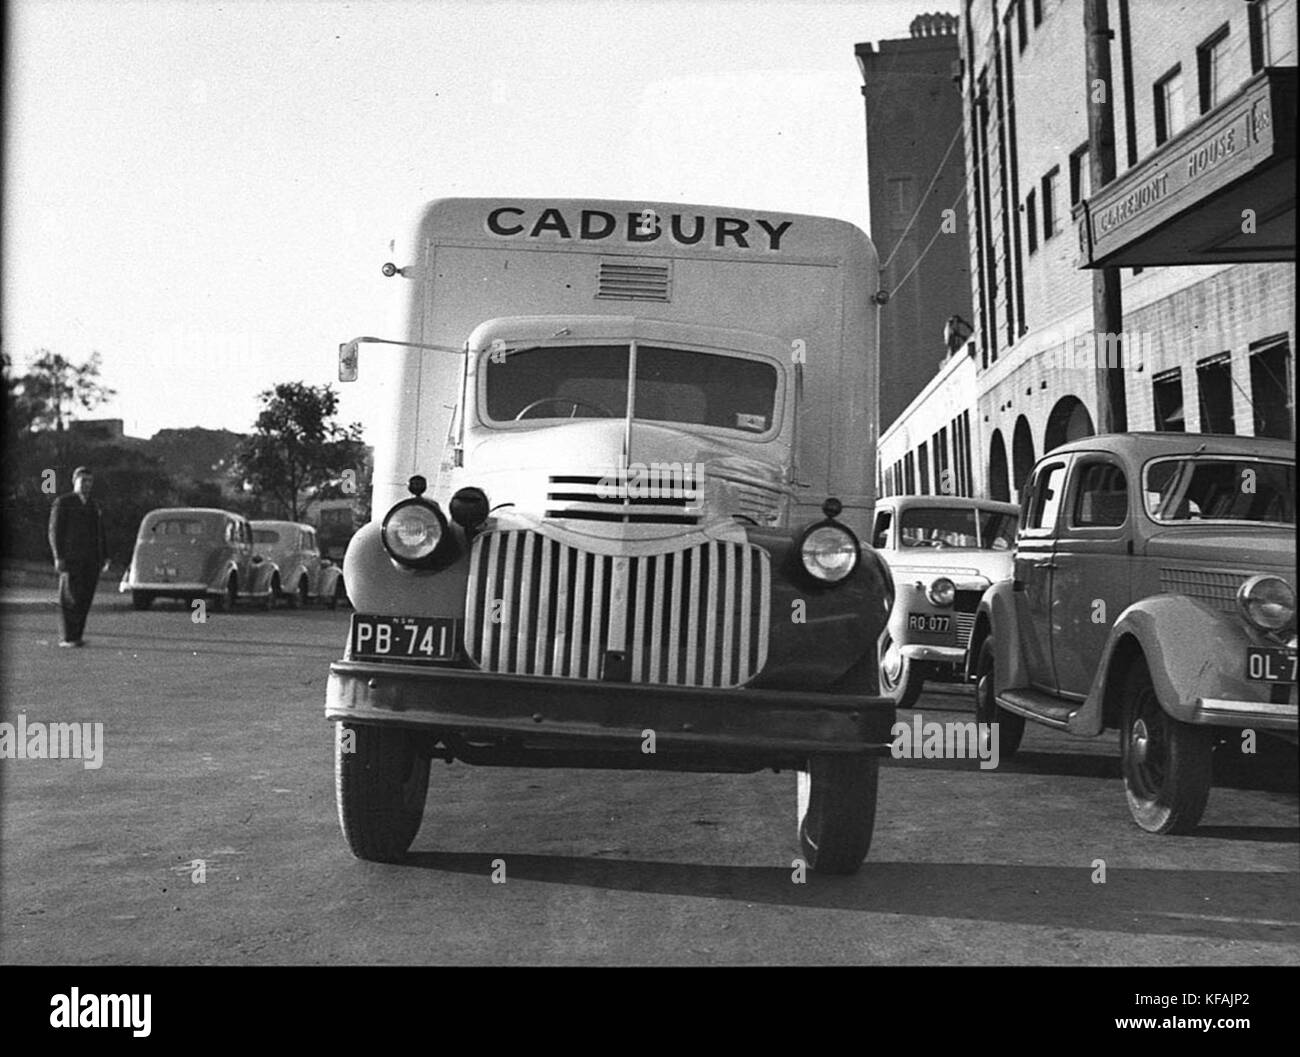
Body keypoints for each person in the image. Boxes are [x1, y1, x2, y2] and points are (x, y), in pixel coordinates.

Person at [47, 466, 110, 647]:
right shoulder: (64, 502)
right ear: (74, 481)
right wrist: (58, 556)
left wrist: (105, 555)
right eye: (83, 481)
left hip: (91, 559)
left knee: (85, 598)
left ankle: (77, 636)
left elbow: (100, 532)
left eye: (90, 481)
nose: (87, 485)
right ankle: (68, 637)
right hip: (71, 558)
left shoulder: (94, 504)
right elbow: (55, 531)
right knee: (70, 598)